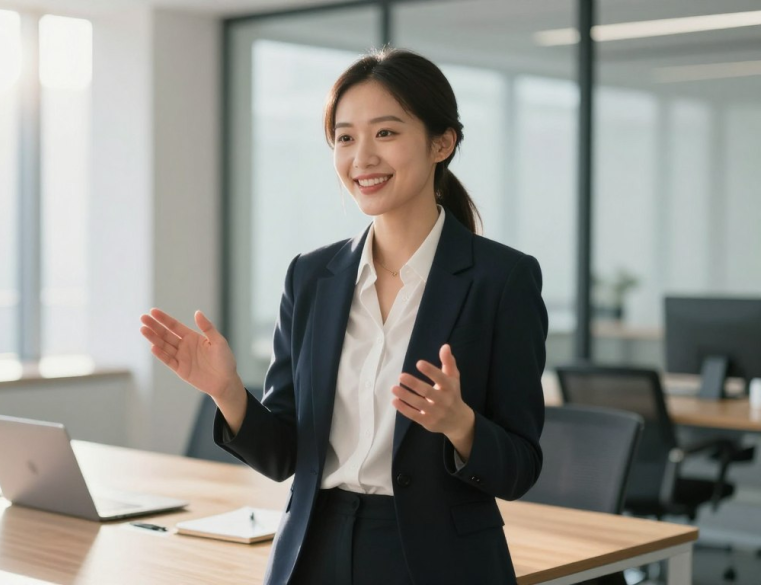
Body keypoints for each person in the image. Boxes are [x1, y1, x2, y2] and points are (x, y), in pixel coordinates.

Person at [140, 48, 548, 585]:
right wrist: (228, 394)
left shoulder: (502, 280)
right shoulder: (311, 278)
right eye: (345, 138)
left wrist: (459, 424)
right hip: (315, 547)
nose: (362, 158)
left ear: (442, 143)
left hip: (437, 560)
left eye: (386, 133)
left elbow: (520, 467)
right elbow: (286, 456)